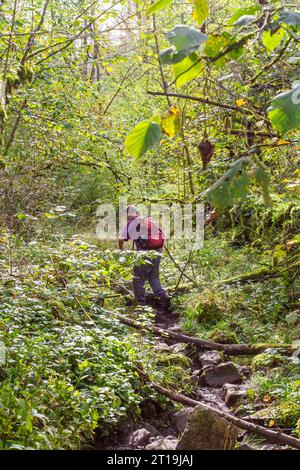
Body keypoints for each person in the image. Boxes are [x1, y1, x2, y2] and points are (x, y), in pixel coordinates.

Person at [118, 205, 170, 310]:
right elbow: (161, 235)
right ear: (137, 212)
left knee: (138, 279)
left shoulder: (130, 224)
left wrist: (121, 250)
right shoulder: (148, 220)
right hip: (157, 252)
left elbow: (121, 239)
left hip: (144, 254)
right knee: (154, 277)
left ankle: (141, 305)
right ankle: (163, 296)